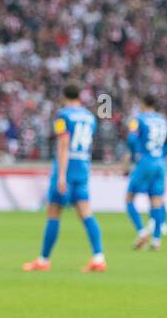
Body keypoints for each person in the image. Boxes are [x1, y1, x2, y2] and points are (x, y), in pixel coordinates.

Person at [23, 84, 106, 272]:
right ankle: (99, 258)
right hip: (83, 168)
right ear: (80, 96)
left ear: (64, 97)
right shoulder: (90, 117)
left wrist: (61, 176)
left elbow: (64, 144)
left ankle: (43, 260)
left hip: (67, 169)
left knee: (53, 213)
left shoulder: (63, 116)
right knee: (86, 213)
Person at [121, 94, 167, 251]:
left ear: (143, 104)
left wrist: (134, 156)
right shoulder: (163, 121)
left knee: (129, 199)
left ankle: (142, 232)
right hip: (161, 163)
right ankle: (156, 240)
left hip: (146, 161)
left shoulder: (138, 119)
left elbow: (131, 139)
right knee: (156, 201)